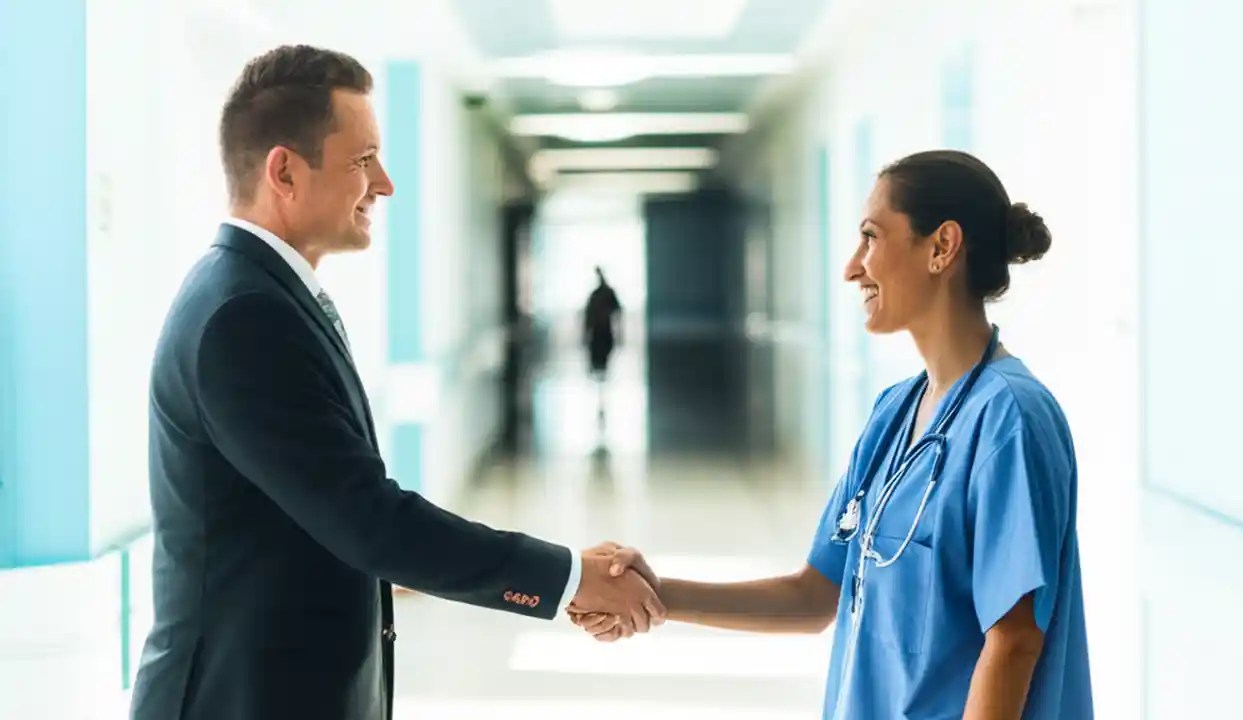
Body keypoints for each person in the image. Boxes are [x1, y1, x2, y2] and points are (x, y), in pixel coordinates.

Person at [129, 45, 663, 720]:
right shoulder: (243, 315)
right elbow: (370, 522)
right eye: (363, 160)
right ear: (284, 171)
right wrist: (568, 578)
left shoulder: (262, 297)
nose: (383, 184)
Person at [571, 150, 1093, 719]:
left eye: (870, 237)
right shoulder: (894, 413)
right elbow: (815, 595)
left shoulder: (1009, 418)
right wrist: (654, 594)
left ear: (942, 247)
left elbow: (1014, 640)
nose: (852, 268)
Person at [583, 266, 622, 379]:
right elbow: (589, 315)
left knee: (602, 356)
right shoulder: (596, 295)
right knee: (598, 356)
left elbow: (617, 310)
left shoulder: (604, 294)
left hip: (603, 330)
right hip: (598, 330)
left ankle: (601, 373)